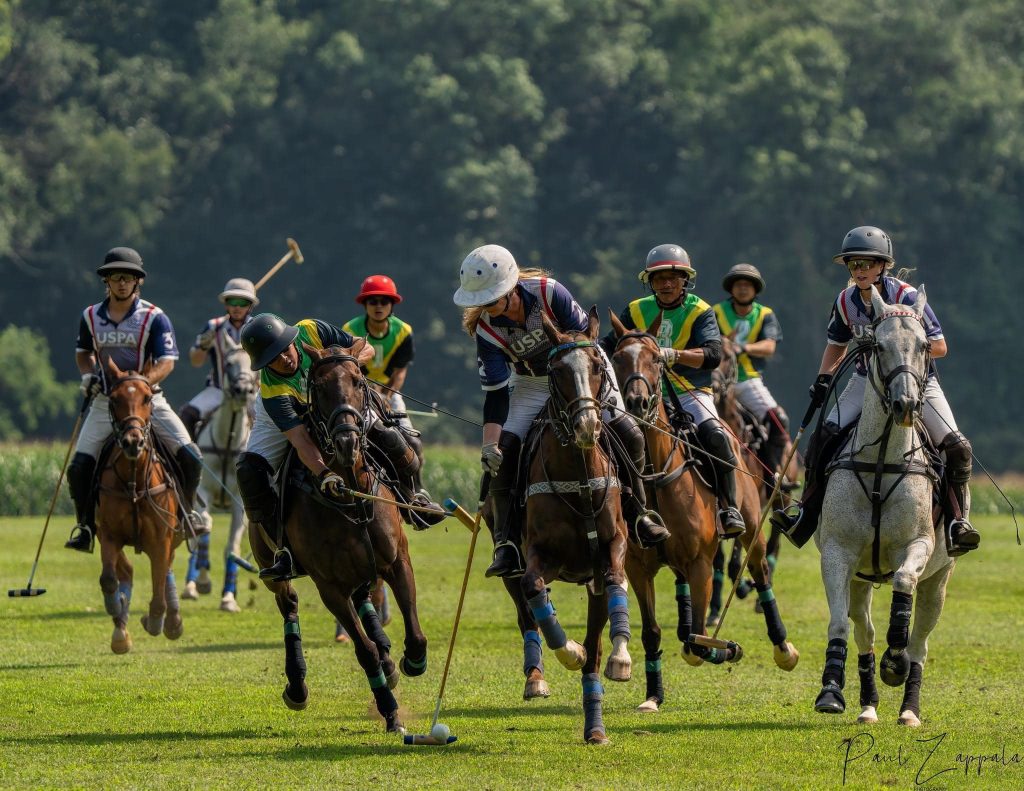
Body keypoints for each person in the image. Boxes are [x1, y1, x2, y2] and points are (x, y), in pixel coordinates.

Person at [454, 244, 669, 579]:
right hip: (531, 384)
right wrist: (489, 446)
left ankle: (640, 514)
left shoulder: (548, 292)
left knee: (629, 432)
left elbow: (585, 340)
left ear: (511, 288)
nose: (489, 309)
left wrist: (589, 393)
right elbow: (496, 396)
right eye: (482, 303)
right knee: (505, 454)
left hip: (582, 369)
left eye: (493, 300)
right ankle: (507, 544)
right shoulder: (487, 330)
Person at [770, 225, 978, 555]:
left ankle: (957, 523)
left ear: (882, 266)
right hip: (865, 380)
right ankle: (806, 514)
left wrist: (896, 347)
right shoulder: (845, 301)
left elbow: (939, 346)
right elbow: (836, 344)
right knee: (824, 435)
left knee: (957, 446)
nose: (860, 270)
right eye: (854, 265)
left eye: (867, 264)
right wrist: (824, 377)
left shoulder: (907, 297)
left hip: (916, 382)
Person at [236, 314, 445, 581]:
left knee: (394, 437)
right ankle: (284, 551)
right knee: (249, 471)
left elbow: (363, 346)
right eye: (274, 358)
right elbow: (301, 440)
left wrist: (344, 366)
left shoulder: (310, 329)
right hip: (294, 412)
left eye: (285, 350)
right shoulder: (273, 391)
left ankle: (414, 500)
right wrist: (323, 472)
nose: (285, 359)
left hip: (334, 396)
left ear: (292, 340)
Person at [65, 247, 205, 553]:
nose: (121, 283)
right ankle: (86, 526)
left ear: (137, 281)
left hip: (147, 401)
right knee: (78, 467)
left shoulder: (154, 318)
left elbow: (167, 361)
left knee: (191, 456)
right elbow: (83, 353)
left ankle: (188, 514)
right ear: (107, 281)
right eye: (115, 278)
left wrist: (141, 383)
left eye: (127, 278)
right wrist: (89, 375)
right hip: (106, 402)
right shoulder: (90, 316)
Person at [601, 244, 746, 538]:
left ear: (685, 280)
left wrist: (673, 355)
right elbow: (607, 346)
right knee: (602, 437)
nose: (666, 284)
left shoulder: (701, 310)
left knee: (716, 436)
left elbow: (714, 354)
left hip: (689, 390)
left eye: (673, 278)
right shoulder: (635, 309)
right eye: (658, 279)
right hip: (641, 393)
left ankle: (729, 508)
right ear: (649, 282)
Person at [713, 263, 789, 486]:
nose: (743, 289)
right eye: (738, 284)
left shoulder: (765, 314)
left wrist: (742, 348)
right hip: (715, 381)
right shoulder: (715, 312)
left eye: (748, 285)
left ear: (755, 289)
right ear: (731, 289)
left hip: (748, 380)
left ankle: (773, 473)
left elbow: (769, 347)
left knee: (779, 419)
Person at [179, 278, 259, 439]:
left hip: (251, 393)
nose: (236, 307)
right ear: (225, 304)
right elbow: (196, 361)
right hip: (218, 390)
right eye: (232, 301)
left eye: (242, 302)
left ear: (250, 306)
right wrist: (202, 345)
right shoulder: (213, 326)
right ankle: (189, 463)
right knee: (186, 416)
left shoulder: (258, 327)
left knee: (278, 422)